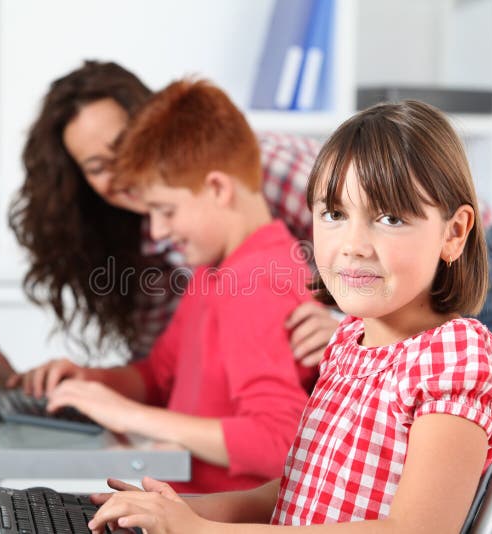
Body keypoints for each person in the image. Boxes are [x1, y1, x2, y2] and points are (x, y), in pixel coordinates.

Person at [86, 100, 492, 533]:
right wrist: (178, 512)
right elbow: (295, 491)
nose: (353, 245)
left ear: (454, 233)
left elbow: (416, 531)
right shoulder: (348, 342)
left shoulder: (455, 357)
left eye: (389, 218)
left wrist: (201, 531)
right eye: (334, 214)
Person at [0, 61, 337, 394]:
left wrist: (347, 333)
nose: (120, 172)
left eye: (123, 145)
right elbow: (164, 378)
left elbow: (379, 256)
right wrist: (24, 390)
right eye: (97, 167)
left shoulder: (274, 171)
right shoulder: (150, 243)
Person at [26, 78, 319, 494]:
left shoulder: (254, 282)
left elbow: (279, 442)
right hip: (177, 507)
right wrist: (93, 383)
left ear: (217, 188)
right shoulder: (213, 269)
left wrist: (131, 416)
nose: (158, 231)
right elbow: (159, 375)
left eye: (165, 210)